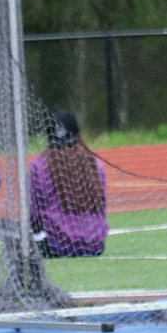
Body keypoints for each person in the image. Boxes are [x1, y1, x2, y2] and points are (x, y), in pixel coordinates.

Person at [28, 110, 107, 257]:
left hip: (57, 245)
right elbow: (102, 207)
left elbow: (33, 211)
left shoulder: (38, 165)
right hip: (95, 245)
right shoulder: (96, 165)